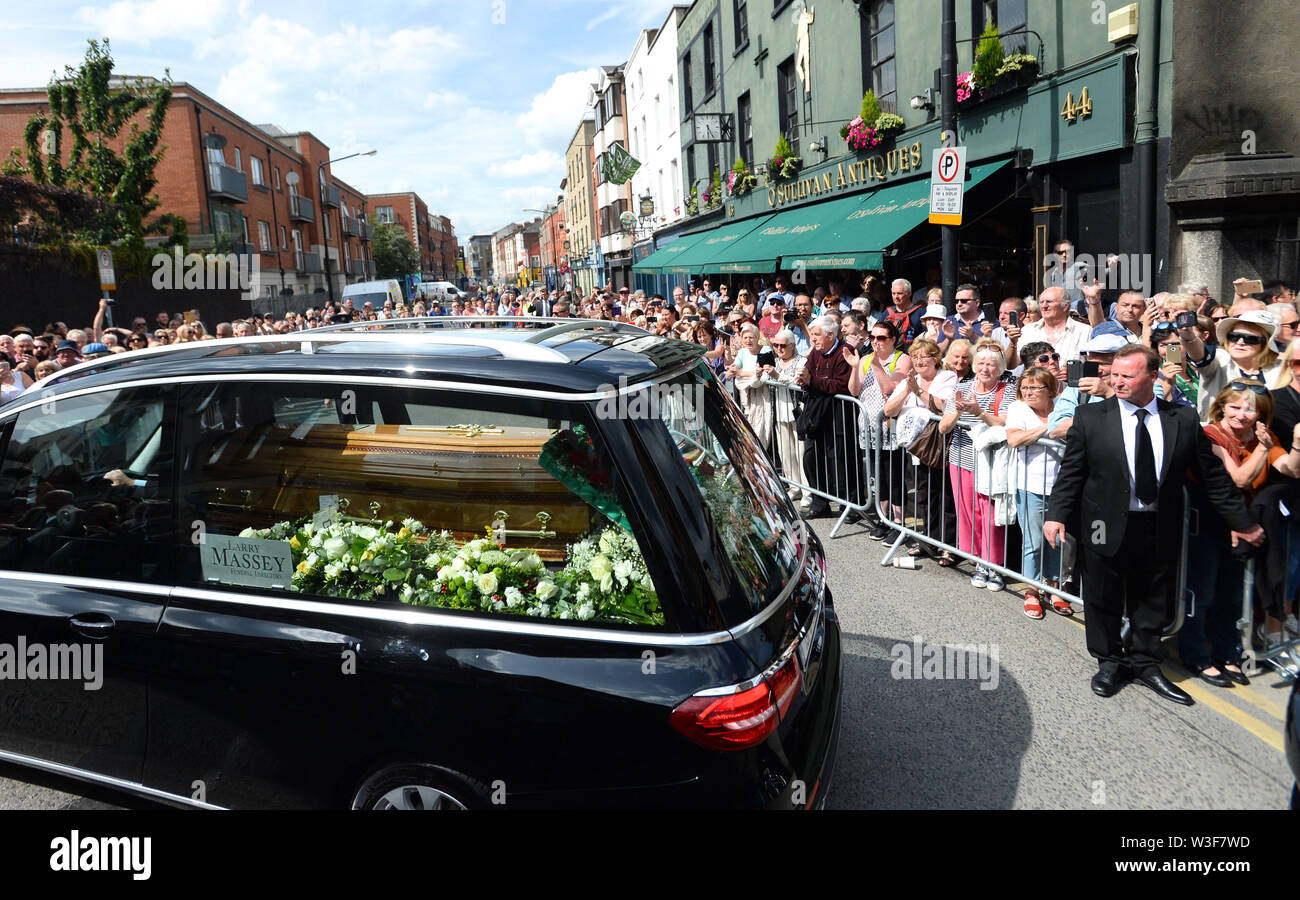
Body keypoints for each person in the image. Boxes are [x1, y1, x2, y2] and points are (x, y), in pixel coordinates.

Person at [1044, 344, 1265, 705]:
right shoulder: (1091, 418)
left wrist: (1241, 521)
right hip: (1101, 522)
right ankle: (1109, 661)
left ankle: (1145, 663)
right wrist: (1056, 515)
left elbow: (1213, 478)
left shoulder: (1182, 419)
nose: (1117, 382)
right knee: (1103, 596)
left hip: (1157, 524)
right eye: (1113, 374)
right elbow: (1071, 474)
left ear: (1151, 376)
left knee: (1152, 597)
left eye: (1126, 376)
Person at [1181, 384, 1300, 688]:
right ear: (1221, 406)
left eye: (1249, 409)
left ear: (1262, 413)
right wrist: (1263, 447)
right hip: (1207, 523)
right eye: (1234, 407)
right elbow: (1239, 478)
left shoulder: (1262, 437)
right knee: (1202, 591)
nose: (1242, 415)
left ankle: (1227, 654)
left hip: (1243, 526)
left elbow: (1290, 468)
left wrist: (1297, 442)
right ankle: (1194, 654)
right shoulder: (1210, 435)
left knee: (1232, 597)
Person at [939, 344, 1016, 590]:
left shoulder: (1007, 389)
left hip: (992, 463)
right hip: (961, 458)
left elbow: (1004, 421)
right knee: (969, 513)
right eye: (981, 363)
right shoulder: (961, 388)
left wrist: (979, 412)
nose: (985, 368)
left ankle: (994, 566)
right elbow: (943, 427)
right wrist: (959, 412)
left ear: (1000, 368)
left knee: (992, 516)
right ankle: (978, 562)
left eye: (991, 364)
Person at [1004, 366, 1070, 618]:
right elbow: (1014, 439)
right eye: (1025, 387)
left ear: (1050, 390)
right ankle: (1032, 589)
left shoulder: (1062, 405)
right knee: (1033, 541)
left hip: (1061, 486)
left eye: (1035, 387)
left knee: (1058, 540)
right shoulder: (1018, 408)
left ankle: (1053, 586)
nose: (1028, 392)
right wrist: (1049, 428)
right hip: (1030, 485)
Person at [796, 316, 857, 518]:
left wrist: (812, 380)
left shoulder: (845, 351)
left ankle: (850, 506)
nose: (812, 339)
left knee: (841, 460)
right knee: (811, 458)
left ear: (830, 334)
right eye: (811, 334)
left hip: (838, 415)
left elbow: (841, 385)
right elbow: (811, 377)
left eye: (816, 334)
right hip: (817, 414)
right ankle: (820, 503)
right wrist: (804, 380)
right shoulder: (816, 352)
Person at [1178, 307, 1282, 421]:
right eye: (1234, 336)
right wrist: (1187, 335)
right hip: (1216, 435)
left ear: (1265, 344)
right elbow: (1199, 354)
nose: (1240, 342)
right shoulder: (1219, 359)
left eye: (1251, 339)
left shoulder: (1277, 370)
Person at [759, 328, 809, 502]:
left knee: (801, 453)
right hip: (780, 413)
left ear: (792, 346)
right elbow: (762, 381)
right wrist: (760, 374)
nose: (778, 349)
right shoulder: (775, 361)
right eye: (775, 345)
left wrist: (775, 375)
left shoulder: (802, 361)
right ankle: (794, 487)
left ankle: (807, 491)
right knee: (786, 454)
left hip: (798, 413)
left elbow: (796, 382)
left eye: (782, 346)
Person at [1015, 285, 1091, 366]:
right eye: (1041, 302)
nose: (1044, 306)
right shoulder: (1028, 330)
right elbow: (1012, 365)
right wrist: (1012, 343)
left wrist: (1073, 373)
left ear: (1066, 305)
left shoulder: (1085, 331)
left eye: (1049, 302)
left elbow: (1093, 367)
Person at [883, 279, 925, 346]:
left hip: (914, 352)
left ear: (909, 294)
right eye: (893, 293)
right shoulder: (887, 312)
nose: (896, 297)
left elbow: (928, 335)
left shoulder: (920, 312)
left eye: (899, 293)